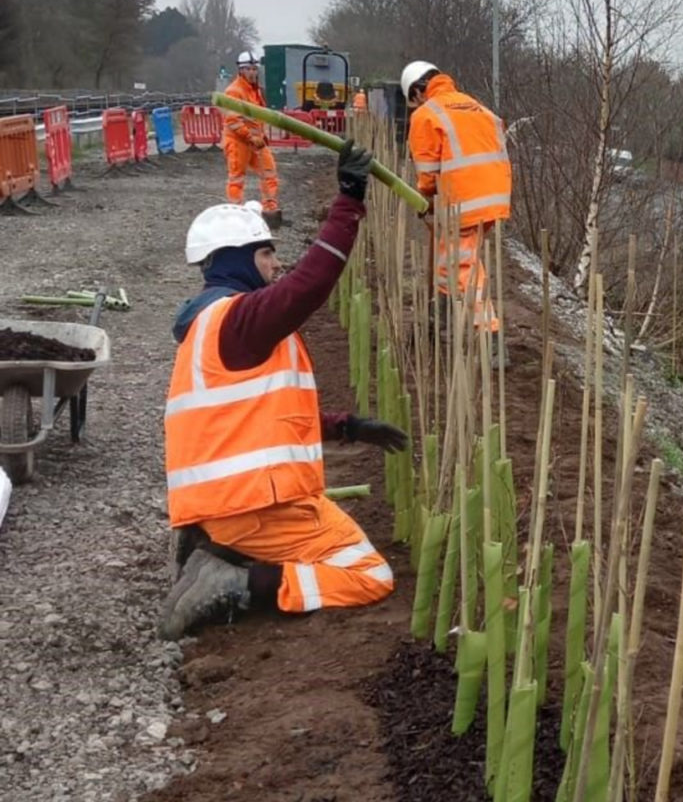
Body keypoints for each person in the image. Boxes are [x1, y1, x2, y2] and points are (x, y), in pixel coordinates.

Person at [158, 141, 405, 640]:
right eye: (267, 253)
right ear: (239, 259)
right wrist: (349, 201)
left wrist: (347, 427)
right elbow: (310, 286)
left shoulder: (212, 327)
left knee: (321, 538)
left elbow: (260, 421)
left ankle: (215, 547)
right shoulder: (239, 319)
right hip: (257, 508)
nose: (276, 264)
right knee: (368, 575)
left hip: (227, 506)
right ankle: (241, 582)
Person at [400, 60, 512, 348]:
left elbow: (427, 175)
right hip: (494, 195)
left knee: (463, 266)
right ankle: (443, 315)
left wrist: (424, 199)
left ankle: (491, 337)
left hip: (464, 199)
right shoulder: (475, 106)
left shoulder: (426, 114)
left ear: (416, 92)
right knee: (447, 257)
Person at [222, 51, 282, 227]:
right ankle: (236, 214)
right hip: (238, 141)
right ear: (241, 70)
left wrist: (260, 136)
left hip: (255, 141)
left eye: (254, 69)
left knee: (269, 172)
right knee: (237, 178)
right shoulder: (234, 91)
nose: (252, 72)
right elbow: (233, 120)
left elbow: (256, 118)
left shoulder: (255, 91)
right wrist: (250, 137)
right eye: (248, 69)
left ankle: (270, 209)